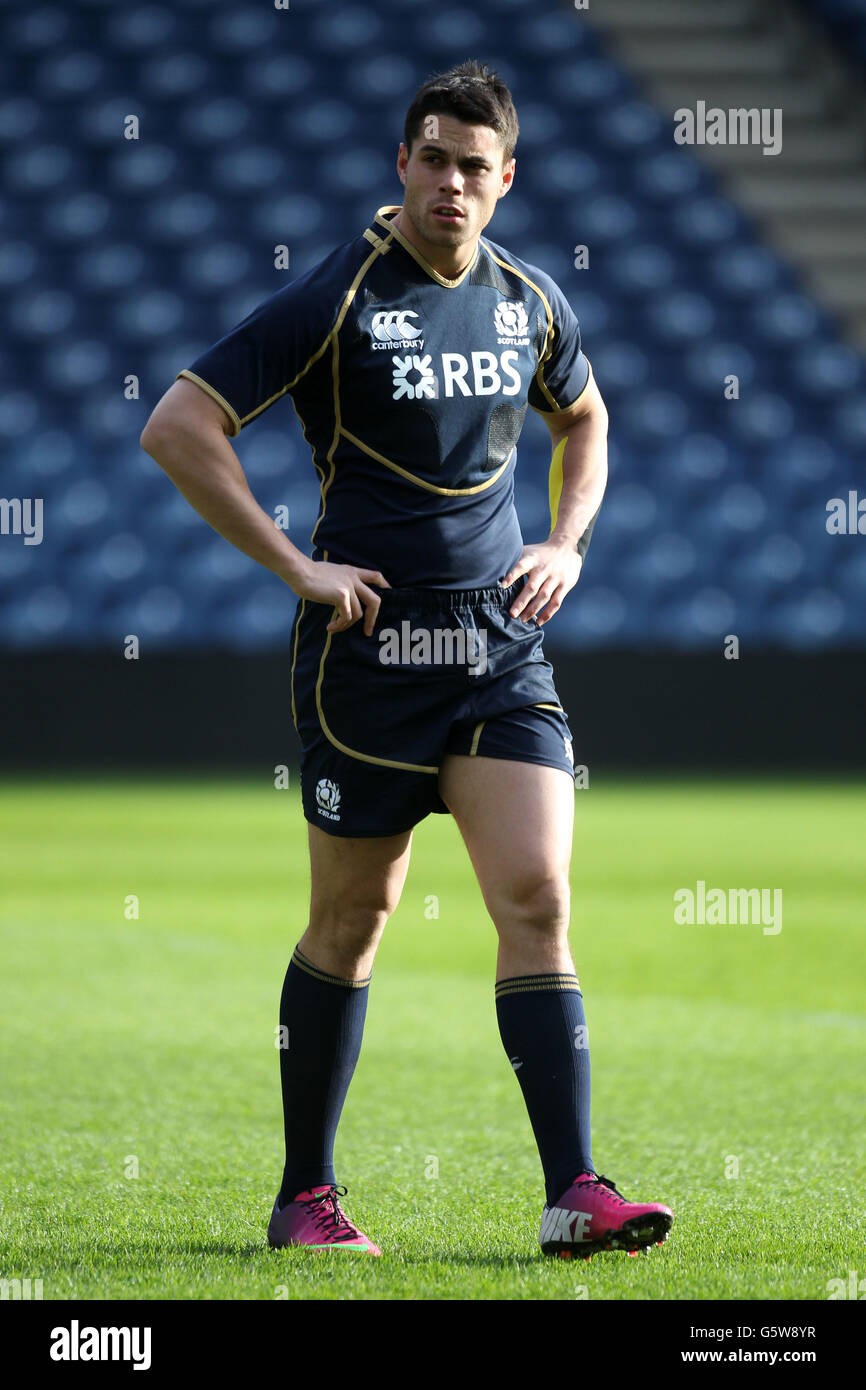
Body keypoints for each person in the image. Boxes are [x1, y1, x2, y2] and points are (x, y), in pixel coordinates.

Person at [140, 59, 673, 1261]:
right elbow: (177, 424)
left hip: (497, 652)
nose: (449, 183)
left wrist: (568, 541)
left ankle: (571, 1190)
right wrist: (296, 566)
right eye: (430, 158)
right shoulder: (335, 297)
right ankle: (305, 1201)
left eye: (472, 167)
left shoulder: (529, 301)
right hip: (366, 663)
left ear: (505, 181)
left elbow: (581, 415)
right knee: (352, 917)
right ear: (400, 163)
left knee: (536, 898)